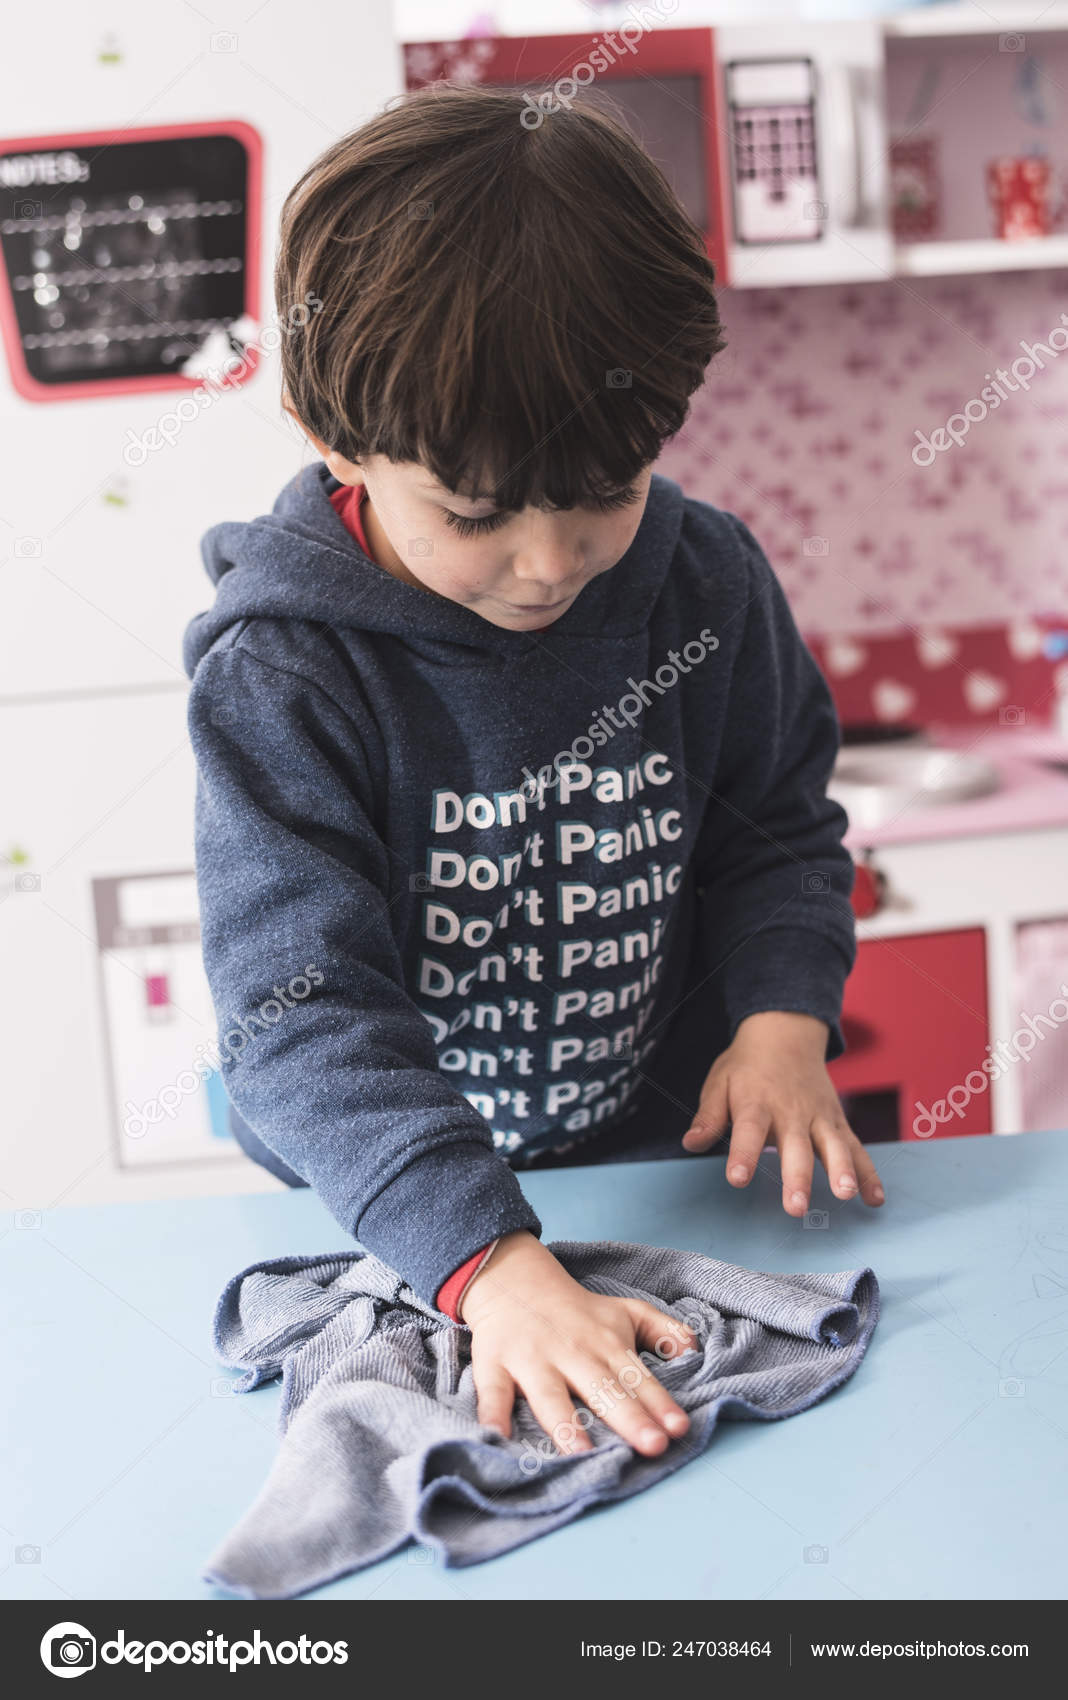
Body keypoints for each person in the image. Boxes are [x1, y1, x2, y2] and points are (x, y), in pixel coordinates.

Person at [183, 82, 884, 1467]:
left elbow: (777, 833)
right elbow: (300, 1017)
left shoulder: (704, 582)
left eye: (605, 497)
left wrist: (783, 1019)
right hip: (392, 1218)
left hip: (659, 1168)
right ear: (334, 435)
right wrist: (488, 1262)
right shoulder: (284, 671)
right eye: (475, 513)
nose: (551, 564)